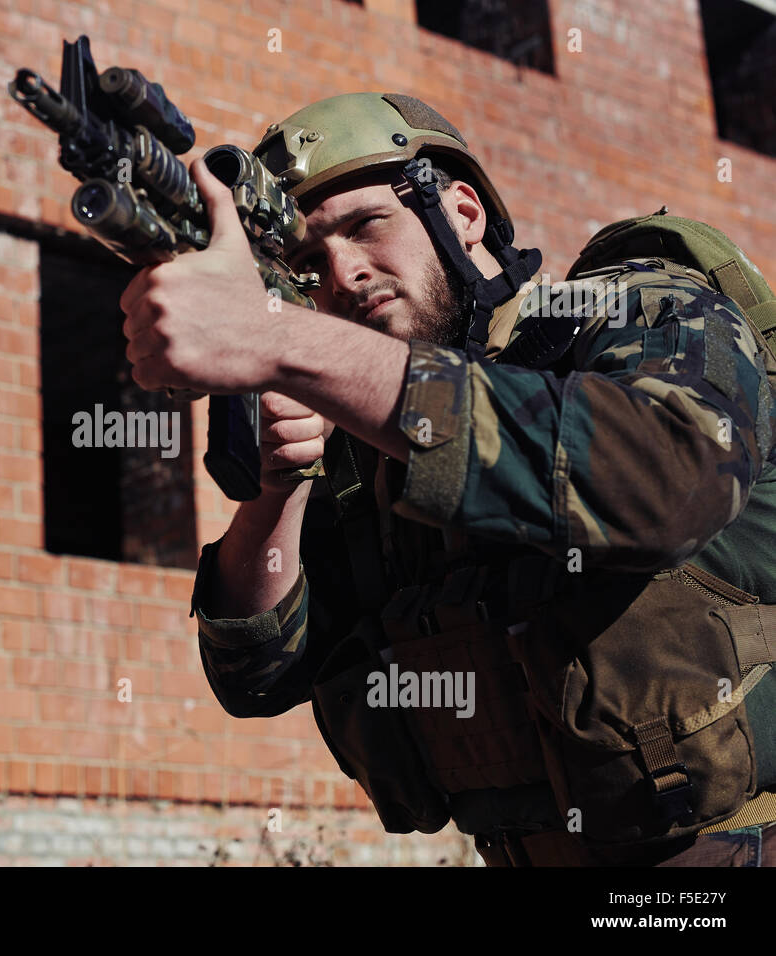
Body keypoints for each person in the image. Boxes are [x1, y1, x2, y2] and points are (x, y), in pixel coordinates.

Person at [119, 92, 776, 866]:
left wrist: (274, 337)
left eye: (365, 225)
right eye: (305, 264)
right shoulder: (366, 438)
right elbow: (254, 675)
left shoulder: (633, 308)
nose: (345, 274)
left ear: (461, 211)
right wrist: (281, 483)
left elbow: (664, 482)